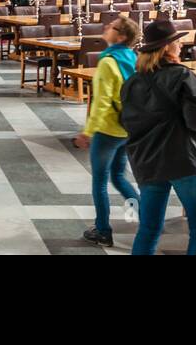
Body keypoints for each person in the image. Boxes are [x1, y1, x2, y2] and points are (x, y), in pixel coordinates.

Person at [120, 19, 196, 256]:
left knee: (150, 228)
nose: (181, 46)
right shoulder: (183, 77)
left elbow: (126, 122)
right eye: (177, 42)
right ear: (166, 48)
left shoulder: (131, 83)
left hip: (148, 161)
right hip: (184, 159)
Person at [74, 16, 141, 246]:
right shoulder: (132, 57)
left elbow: (101, 102)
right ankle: (149, 216)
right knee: (119, 176)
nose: (105, 27)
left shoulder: (107, 62)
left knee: (100, 182)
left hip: (108, 130)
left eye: (111, 27)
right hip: (127, 128)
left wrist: (88, 132)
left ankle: (102, 229)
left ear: (121, 36)